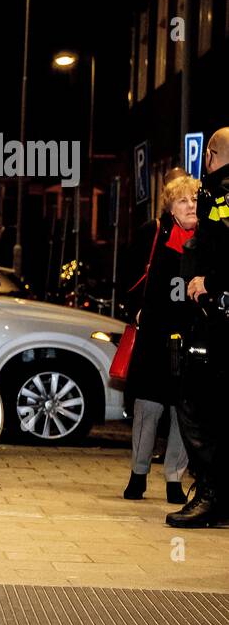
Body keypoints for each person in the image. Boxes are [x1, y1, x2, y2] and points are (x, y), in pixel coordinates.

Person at [119, 169, 197, 503]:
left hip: (192, 338)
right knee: (148, 408)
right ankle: (138, 474)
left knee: (184, 411)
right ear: (170, 206)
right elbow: (128, 276)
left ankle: (174, 479)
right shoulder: (153, 232)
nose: (191, 205)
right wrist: (136, 311)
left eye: (194, 199)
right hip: (154, 337)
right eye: (183, 200)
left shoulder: (207, 239)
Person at [168, 127, 229, 527]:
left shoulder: (220, 190)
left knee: (198, 403)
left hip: (220, 319)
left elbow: (224, 245)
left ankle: (211, 494)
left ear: (210, 154)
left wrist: (210, 282)